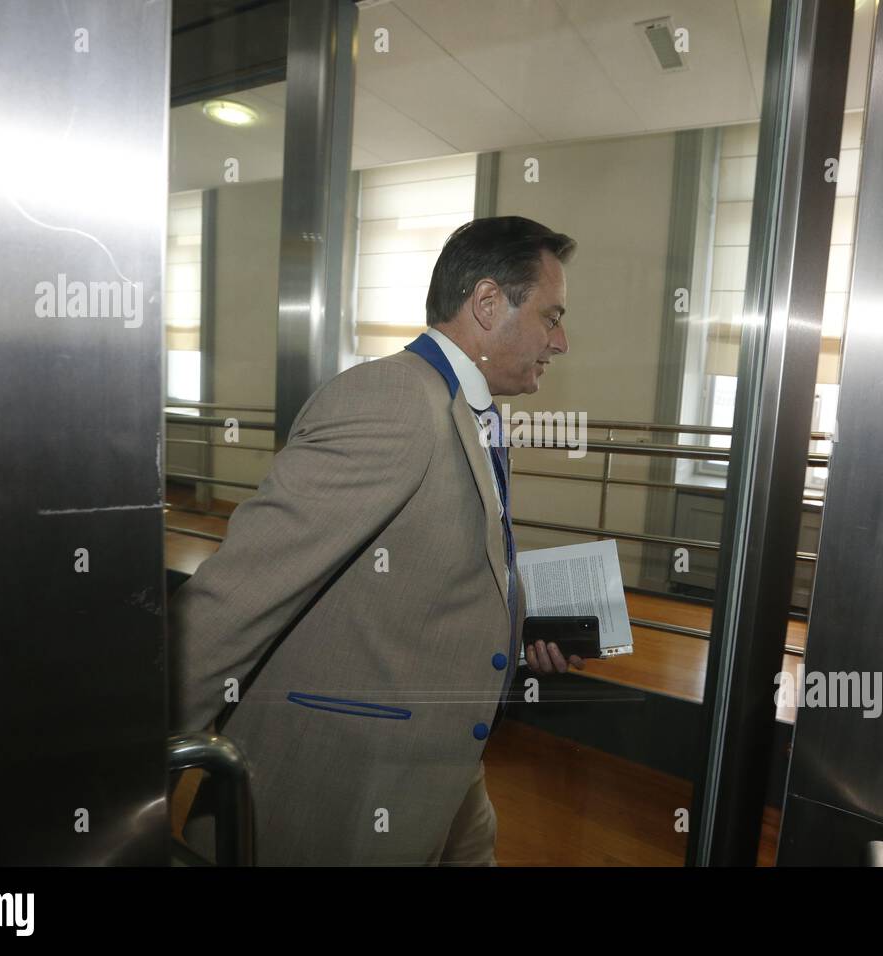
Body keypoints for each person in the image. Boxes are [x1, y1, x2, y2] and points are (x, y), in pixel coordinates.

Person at [169, 216, 580, 865]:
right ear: (487, 303)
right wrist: (124, 769)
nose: (561, 341)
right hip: (358, 786)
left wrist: (521, 631)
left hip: (451, 771)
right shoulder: (392, 400)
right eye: (551, 317)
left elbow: (450, 561)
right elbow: (238, 596)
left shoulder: (478, 414)